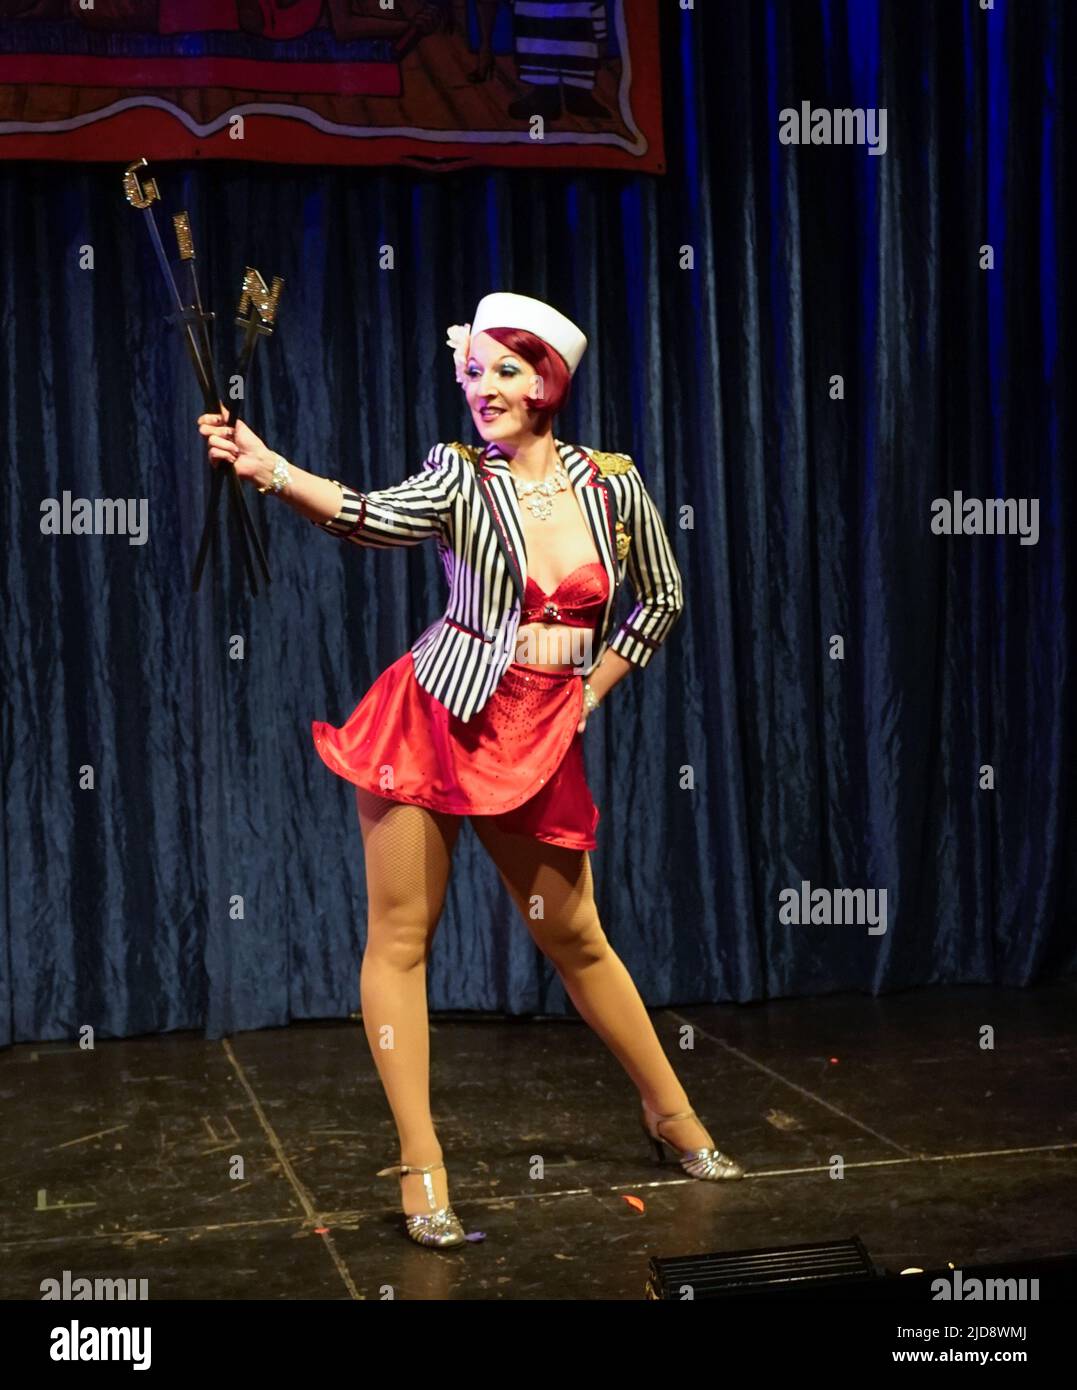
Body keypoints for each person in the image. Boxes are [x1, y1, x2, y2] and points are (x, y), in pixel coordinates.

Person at [197, 291, 744, 1252]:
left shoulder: (614, 487)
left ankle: (669, 1113)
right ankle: (421, 1161)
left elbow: (659, 601)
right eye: (471, 371)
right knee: (401, 939)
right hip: (435, 717)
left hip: (541, 729)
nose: (481, 388)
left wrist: (590, 692)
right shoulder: (458, 479)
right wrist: (269, 467)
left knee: (578, 938)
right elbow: (368, 517)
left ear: (546, 381)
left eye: (503, 370)